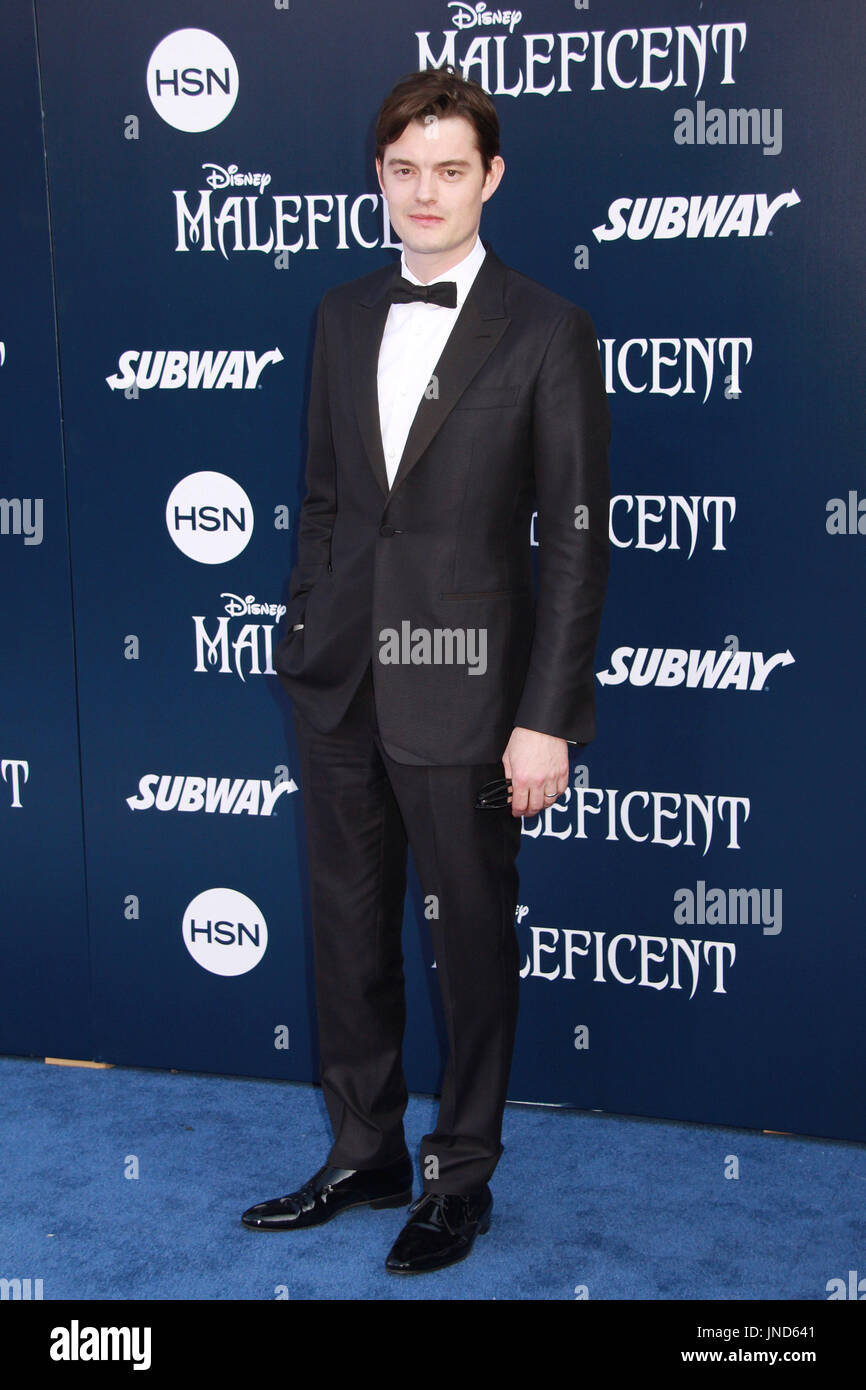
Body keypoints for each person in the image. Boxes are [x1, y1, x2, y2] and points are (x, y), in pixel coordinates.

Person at [242, 66, 610, 1274]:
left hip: (467, 688)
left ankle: (458, 1176)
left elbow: (572, 539)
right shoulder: (342, 313)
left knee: (467, 948)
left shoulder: (546, 326)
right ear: (379, 178)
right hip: (342, 679)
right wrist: (305, 634)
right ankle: (364, 1150)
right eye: (403, 170)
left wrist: (545, 717)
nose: (423, 192)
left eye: (449, 169)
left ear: (488, 178)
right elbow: (324, 499)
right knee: (346, 931)